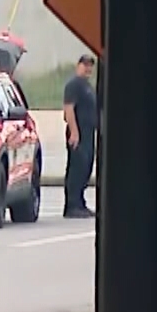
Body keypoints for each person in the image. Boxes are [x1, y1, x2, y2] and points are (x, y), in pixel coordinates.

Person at [62, 53, 99, 219]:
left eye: (91, 65)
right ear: (79, 66)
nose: (88, 68)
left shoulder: (87, 85)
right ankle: (72, 205)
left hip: (88, 132)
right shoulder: (74, 85)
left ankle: (80, 203)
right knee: (77, 168)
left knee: (86, 167)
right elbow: (68, 109)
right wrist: (74, 132)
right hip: (78, 133)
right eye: (85, 65)